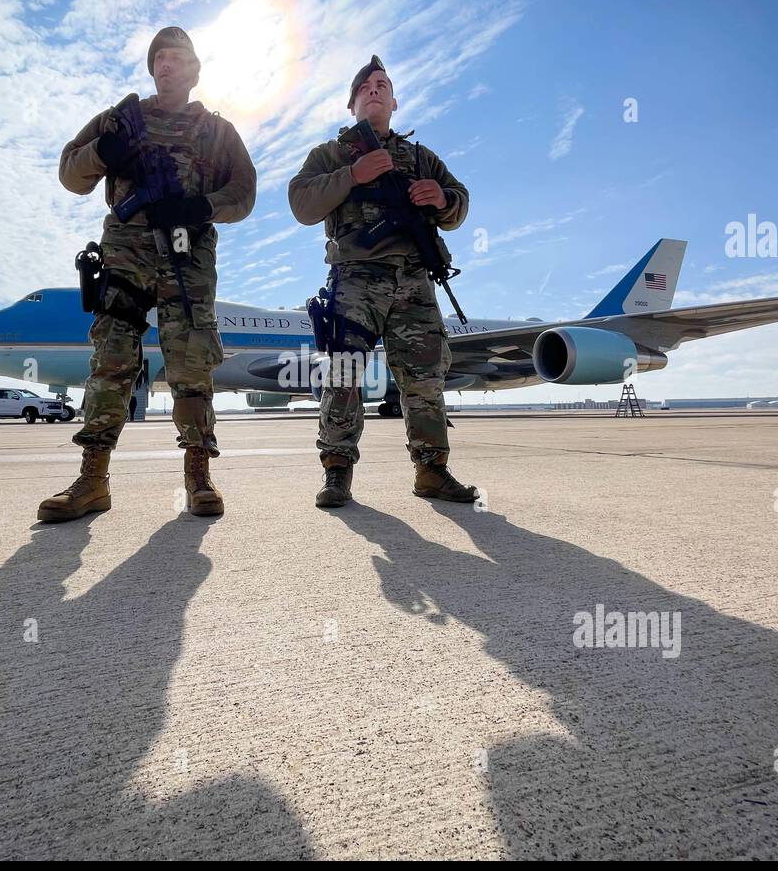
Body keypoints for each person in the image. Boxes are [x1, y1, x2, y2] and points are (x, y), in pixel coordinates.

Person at [38, 27, 255, 521]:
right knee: (112, 355)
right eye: (159, 58)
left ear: (194, 69)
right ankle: (92, 478)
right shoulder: (121, 119)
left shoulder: (216, 130)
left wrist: (201, 205)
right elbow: (71, 174)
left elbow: (244, 193)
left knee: (191, 361)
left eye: (177, 57)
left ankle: (198, 475)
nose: (167, 65)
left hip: (186, 250)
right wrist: (102, 154)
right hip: (126, 249)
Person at [288, 54, 478, 508]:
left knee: (424, 378)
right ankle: (337, 473)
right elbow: (301, 203)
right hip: (355, 278)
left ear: (394, 102)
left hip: (414, 280)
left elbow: (460, 203)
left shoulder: (420, 157)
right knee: (343, 372)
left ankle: (431, 470)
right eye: (365, 87)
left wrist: (443, 198)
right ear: (352, 104)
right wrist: (353, 175)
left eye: (382, 85)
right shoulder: (332, 154)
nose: (374, 89)